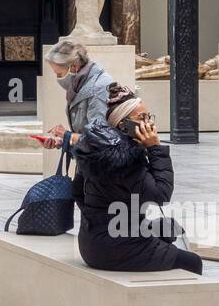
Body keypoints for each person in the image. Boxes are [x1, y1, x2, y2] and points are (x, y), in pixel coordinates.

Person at [58, 82, 200, 274]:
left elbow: (78, 191)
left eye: (149, 117)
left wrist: (101, 219)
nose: (149, 123)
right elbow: (161, 195)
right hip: (119, 249)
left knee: (168, 228)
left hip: (91, 242)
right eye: (142, 118)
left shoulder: (95, 149)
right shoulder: (127, 159)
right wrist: (155, 148)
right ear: (123, 125)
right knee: (193, 262)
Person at [44, 37, 114, 139]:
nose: (58, 78)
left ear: (74, 67)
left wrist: (67, 136)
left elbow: (99, 139)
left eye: (59, 74)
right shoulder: (79, 85)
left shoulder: (97, 88)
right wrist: (62, 141)